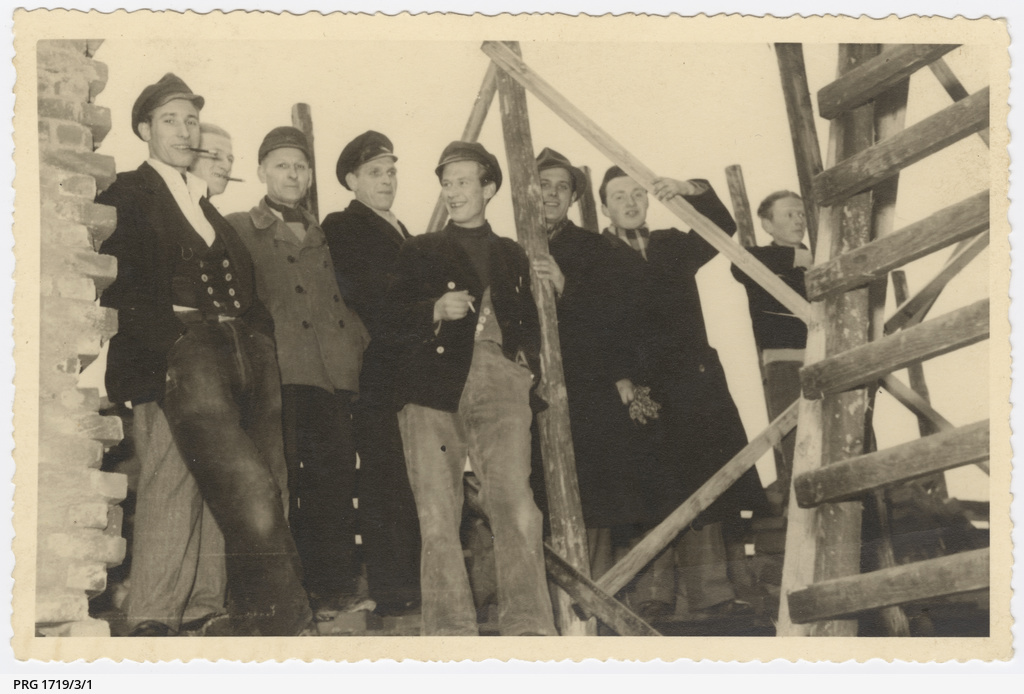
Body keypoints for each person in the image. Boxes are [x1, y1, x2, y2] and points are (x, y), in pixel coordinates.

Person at [97, 74, 310, 637]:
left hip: (230, 362)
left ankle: (206, 607)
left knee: (225, 484)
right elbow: (126, 284)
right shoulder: (128, 191)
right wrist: (175, 349)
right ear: (144, 129)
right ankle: (152, 615)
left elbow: (247, 293)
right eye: (171, 119)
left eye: (191, 120)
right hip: (168, 364)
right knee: (171, 480)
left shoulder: (206, 207)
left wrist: (255, 344)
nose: (184, 130)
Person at [382, 141, 556, 636]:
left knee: (515, 503)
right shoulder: (419, 248)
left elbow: (543, 323)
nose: (453, 192)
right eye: (447, 183)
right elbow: (389, 318)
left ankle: (527, 627)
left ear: (489, 188)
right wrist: (433, 310)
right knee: (437, 511)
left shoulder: (512, 253)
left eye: (463, 182)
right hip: (430, 387)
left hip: (500, 379)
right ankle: (449, 631)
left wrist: (525, 365)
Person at [598, 165, 768, 619]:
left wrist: (691, 189)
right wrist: (619, 378)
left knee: (705, 482)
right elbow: (592, 322)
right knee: (652, 486)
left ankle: (712, 591)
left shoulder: (674, 245)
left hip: (693, 384)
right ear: (604, 206)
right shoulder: (598, 255)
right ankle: (654, 593)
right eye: (619, 196)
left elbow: (722, 226)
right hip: (643, 391)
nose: (631, 203)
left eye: (637, 194)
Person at [227, 127, 371, 619]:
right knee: (279, 482)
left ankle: (332, 590)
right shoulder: (239, 226)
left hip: (333, 377)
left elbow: (351, 301)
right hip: (279, 374)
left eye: (301, 167)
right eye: (282, 165)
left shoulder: (326, 233)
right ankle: (282, 597)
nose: (293, 174)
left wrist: (358, 352)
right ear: (263, 170)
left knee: (332, 484)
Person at [528, 149, 663, 599]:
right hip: (532, 390)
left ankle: (600, 595)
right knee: (541, 491)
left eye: (561, 187)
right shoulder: (515, 245)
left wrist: (567, 287)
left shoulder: (593, 249)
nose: (551, 194)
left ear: (572, 197)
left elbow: (619, 318)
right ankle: (555, 595)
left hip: (587, 387)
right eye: (543, 184)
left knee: (596, 495)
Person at [321, 131, 421, 617]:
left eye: (391, 171)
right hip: (379, 373)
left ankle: (414, 585)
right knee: (385, 481)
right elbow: (369, 292)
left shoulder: (402, 228)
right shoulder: (345, 225)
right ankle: (393, 590)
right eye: (375, 173)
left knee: (415, 479)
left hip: (414, 372)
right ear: (352, 180)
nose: (387, 180)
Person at [731, 191, 811, 500]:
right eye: (789, 214)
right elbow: (739, 266)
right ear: (767, 224)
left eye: (801, 214)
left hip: (828, 359)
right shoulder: (759, 259)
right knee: (796, 443)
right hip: (787, 366)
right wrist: (798, 258)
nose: (798, 220)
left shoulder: (820, 259)